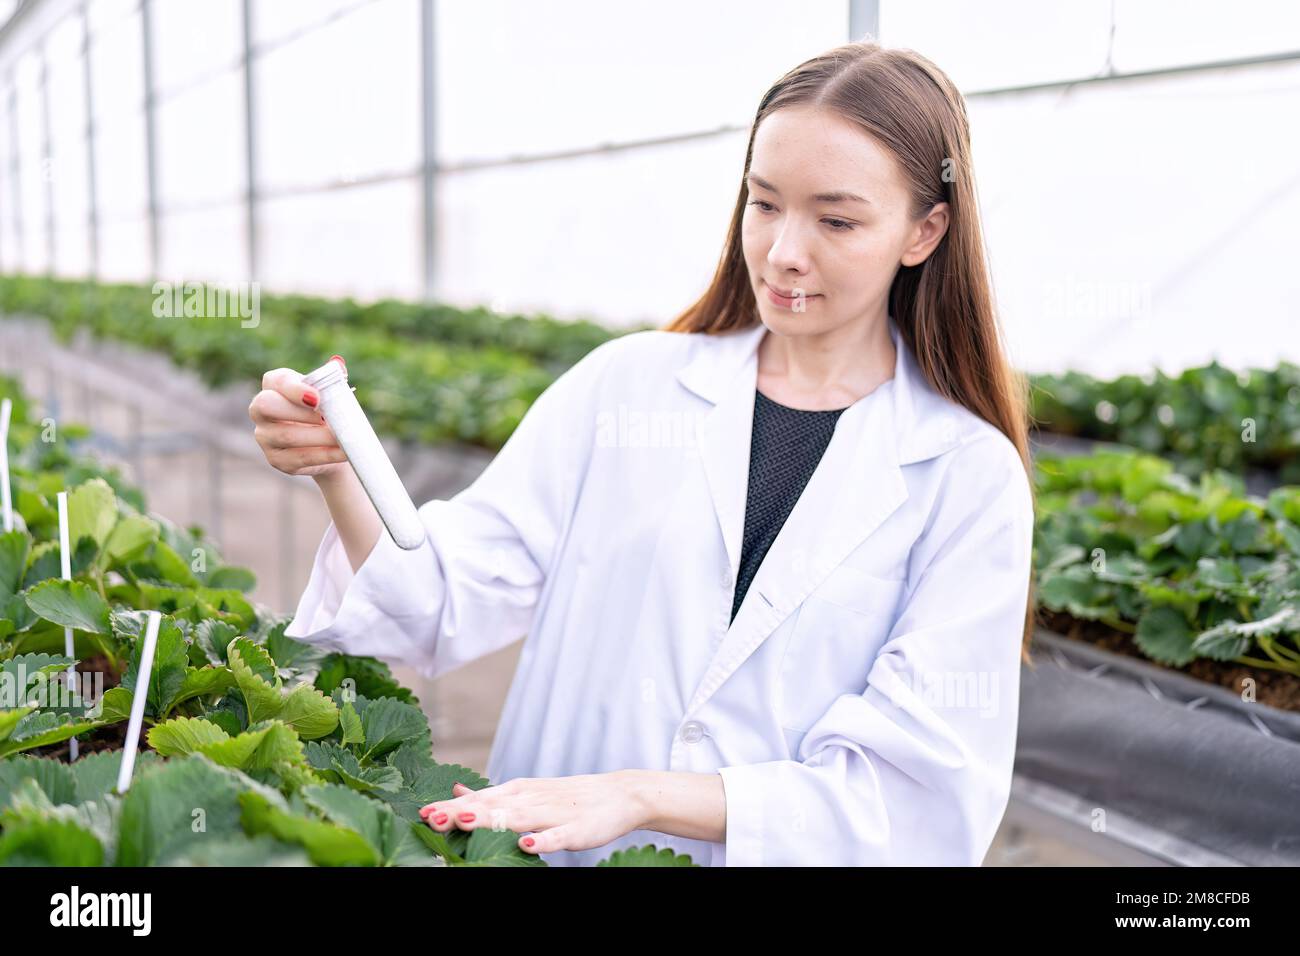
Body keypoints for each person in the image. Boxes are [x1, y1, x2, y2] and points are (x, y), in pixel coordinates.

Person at [249, 39, 1037, 867]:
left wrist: (638, 794)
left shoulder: (967, 477)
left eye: (836, 220)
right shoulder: (628, 388)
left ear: (925, 230)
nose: (783, 252)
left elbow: (915, 799)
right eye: (764, 204)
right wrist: (339, 467)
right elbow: (439, 597)